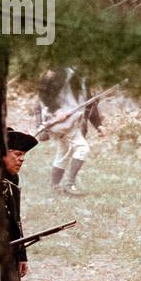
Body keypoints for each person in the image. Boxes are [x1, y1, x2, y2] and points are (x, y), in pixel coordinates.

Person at [37, 67, 103, 195]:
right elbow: (44, 94)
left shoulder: (83, 77)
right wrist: (56, 110)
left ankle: (55, 185)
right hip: (59, 122)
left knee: (64, 152)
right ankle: (69, 185)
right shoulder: (61, 72)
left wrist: (99, 125)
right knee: (82, 148)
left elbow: (89, 104)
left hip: (70, 123)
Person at [3, 129, 39, 278]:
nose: (22, 159)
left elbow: (15, 220)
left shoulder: (13, 179)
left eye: (23, 155)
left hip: (10, 251)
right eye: (17, 154)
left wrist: (21, 255)